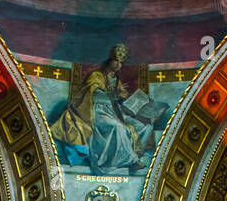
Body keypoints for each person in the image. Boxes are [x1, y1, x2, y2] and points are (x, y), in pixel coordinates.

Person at [51, 44, 153, 174]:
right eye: (116, 61)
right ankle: (130, 161)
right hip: (95, 111)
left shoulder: (116, 79)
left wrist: (137, 101)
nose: (118, 65)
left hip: (114, 112)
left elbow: (120, 96)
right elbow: (94, 95)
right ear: (109, 61)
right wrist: (113, 94)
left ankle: (132, 156)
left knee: (144, 126)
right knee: (118, 127)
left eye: (121, 63)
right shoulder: (96, 75)